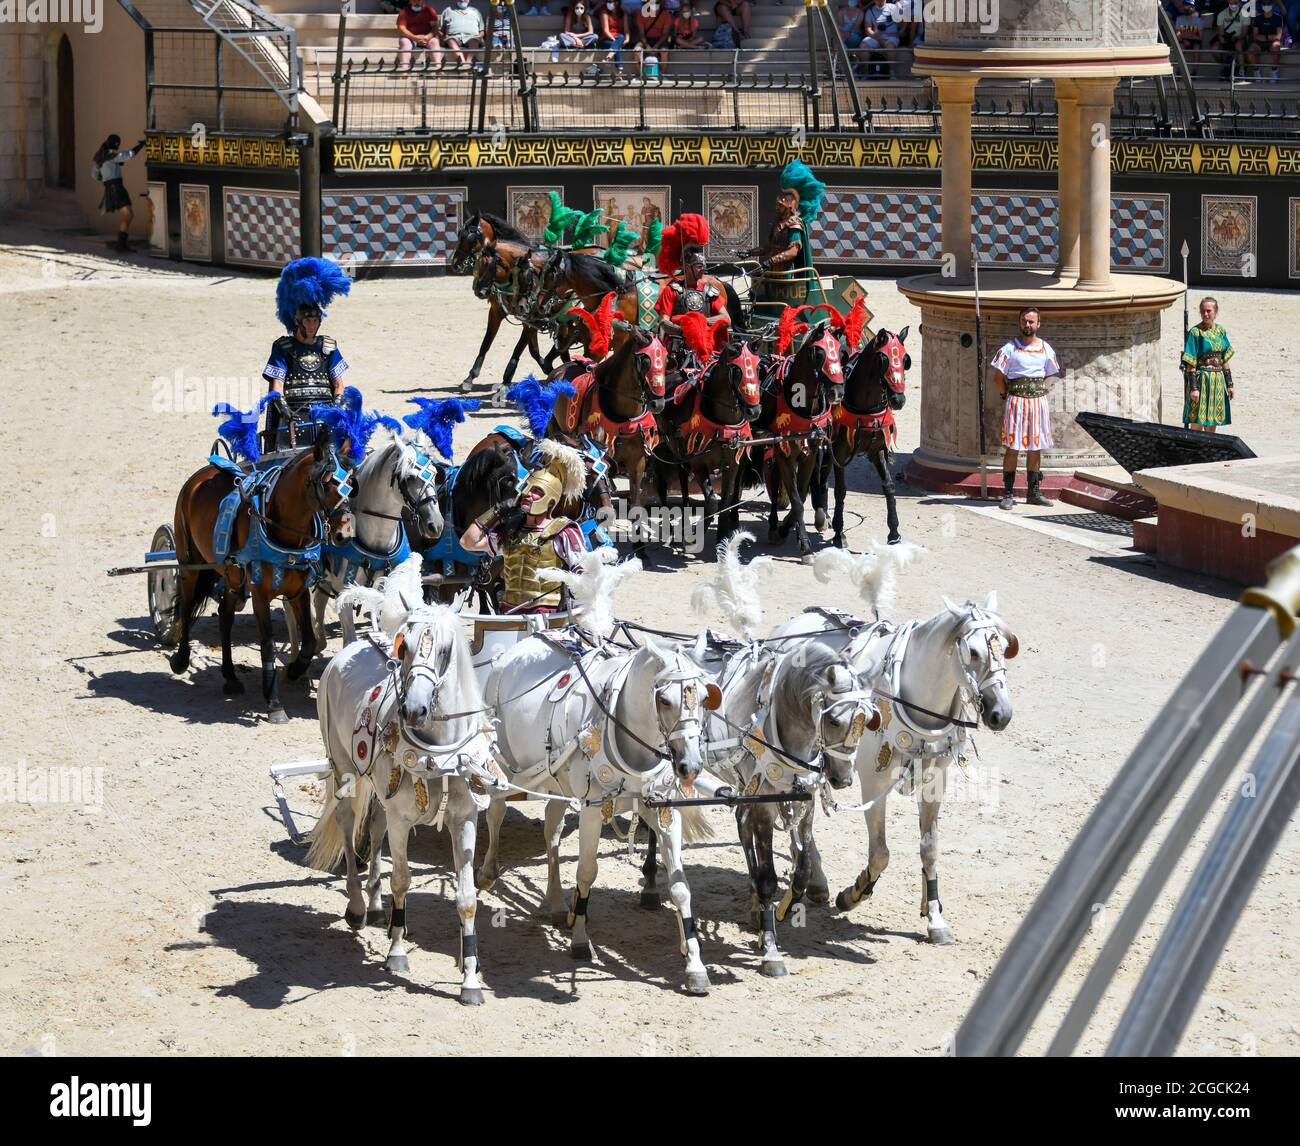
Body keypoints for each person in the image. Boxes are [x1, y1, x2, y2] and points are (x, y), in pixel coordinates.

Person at [459, 458, 586, 614]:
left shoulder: (563, 531)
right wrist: (497, 511)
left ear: (551, 502)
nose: (527, 493)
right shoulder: (511, 531)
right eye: (527, 488)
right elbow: (467, 541)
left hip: (548, 616)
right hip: (510, 613)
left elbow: (584, 575)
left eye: (537, 491)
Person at [263, 258, 353, 450]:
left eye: (315, 320)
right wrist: (285, 411)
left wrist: (336, 407)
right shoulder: (283, 347)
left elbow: (339, 384)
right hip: (294, 418)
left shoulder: (328, 346)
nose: (312, 325)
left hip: (325, 416)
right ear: (298, 322)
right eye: (308, 321)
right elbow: (276, 386)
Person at [990, 307, 1059, 510]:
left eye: (1031, 321)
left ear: (1038, 324)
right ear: (1019, 323)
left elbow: (1052, 373)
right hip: (1016, 402)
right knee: (1013, 447)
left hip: (1038, 404)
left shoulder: (1046, 348)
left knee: (1035, 447)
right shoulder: (1009, 349)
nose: (1027, 325)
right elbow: (998, 376)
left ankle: (1034, 492)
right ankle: (1008, 493)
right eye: (1024, 321)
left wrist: (1043, 390)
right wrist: (1005, 396)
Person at [1181, 297, 1235, 433]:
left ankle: (1208, 450)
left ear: (1215, 312)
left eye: (1209, 311)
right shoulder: (1195, 332)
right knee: (1197, 420)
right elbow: (1190, 363)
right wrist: (1194, 388)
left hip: (1217, 381)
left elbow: (1224, 359)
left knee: (1212, 421)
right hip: (1201, 380)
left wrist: (1230, 384)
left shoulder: (1221, 331)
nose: (1206, 314)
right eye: (1203, 311)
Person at [92, 134, 146, 252]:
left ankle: (121, 244)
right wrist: (141, 145)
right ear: (116, 144)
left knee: (128, 215)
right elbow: (130, 154)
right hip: (116, 187)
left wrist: (106, 178)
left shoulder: (99, 155)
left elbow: (95, 174)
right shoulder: (112, 154)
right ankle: (121, 245)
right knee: (128, 215)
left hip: (112, 186)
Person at [1210, 0, 1252, 77]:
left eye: (1236, 2)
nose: (1233, 4)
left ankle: (1241, 71)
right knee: (1214, 48)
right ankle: (1225, 67)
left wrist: (1236, 37)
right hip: (1227, 38)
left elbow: (1244, 33)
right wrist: (1223, 38)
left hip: (1240, 38)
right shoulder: (1221, 14)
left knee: (1238, 46)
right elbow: (1221, 32)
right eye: (1231, 2)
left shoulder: (1245, 14)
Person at [1246, 2, 1286, 81]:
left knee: (1276, 46)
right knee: (1250, 51)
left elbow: (1278, 36)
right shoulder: (1258, 18)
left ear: (1273, 5)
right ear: (1261, 6)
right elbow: (1255, 35)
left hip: (1272, 42)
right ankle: (1256, 71)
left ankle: (1274, 71)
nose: (1266, 6)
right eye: (1264, 4)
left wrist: (1265, 37)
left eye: (1269, 4)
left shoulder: (1278, 18)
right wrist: (1269, 37)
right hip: (1259, 43)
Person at [397, 0, 443, 69]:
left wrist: (428, 37)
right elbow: (401, 29)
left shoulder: (429, 10)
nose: (417, 2)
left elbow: (435, 27)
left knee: (435, 41)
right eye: (414, 0)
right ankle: (404, 70)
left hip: (427, 38)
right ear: (410, 1)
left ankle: (438, 69)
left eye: (418, 0)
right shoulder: (404, 11)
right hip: (410, 38)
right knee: (404, 42)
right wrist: (415, 38)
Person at [441, 0, 485, 65]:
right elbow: (441, 30)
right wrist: (443, 37)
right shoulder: (448, 10)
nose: (462, 0)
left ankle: (467, 64)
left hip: (472, 37)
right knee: (450, 40)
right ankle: (463, 63)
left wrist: (479, 37)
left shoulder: (476, 11)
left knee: (475, 40)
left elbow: (482, 31)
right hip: (454, 37)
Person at [594, 0, 627, 71]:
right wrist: (616, 41)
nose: (609, 3)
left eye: (611, 1)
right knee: (618, 44)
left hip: (618, 39)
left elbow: (627, 31)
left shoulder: (623, 13)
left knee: (621, 37)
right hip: (606, 39)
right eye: (608, 1)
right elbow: (605, 30)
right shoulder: (604, 12)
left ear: (617, 2)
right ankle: (619, 72)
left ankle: (608, 58)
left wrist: (627, 40)